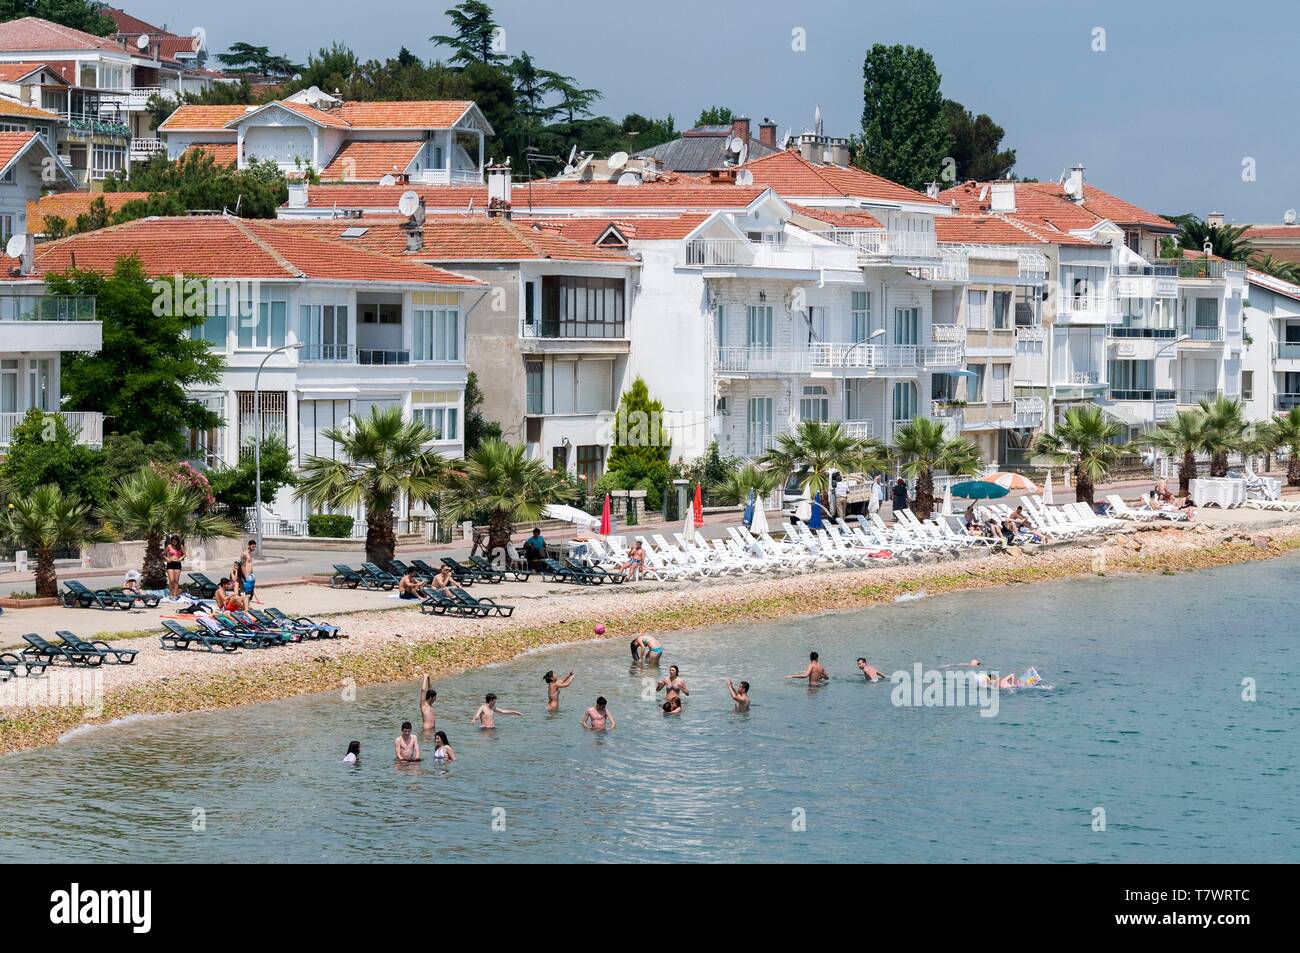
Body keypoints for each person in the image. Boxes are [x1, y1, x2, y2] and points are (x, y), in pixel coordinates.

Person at [164, 534, 185, 602]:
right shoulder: (169, 547)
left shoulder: (180, 547)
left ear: (177, 541)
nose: (174, 542)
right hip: (170, 564)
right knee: (171, 580)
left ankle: (175, 595)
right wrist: (166, 559)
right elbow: (163, 554)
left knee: (176, 581)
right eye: (173, 541)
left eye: (175, 541)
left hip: (177, 564)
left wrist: (181, 558)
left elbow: (184, 554)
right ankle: (171, 593)